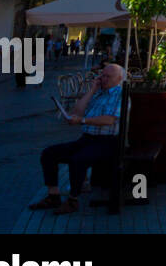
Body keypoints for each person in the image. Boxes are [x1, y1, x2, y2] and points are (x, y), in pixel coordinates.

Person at [29, 63, 125, 215]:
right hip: (87, 139)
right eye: (102, 75)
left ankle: (73, 200)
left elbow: (109, 120)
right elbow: (77, 110)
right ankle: (53, 195)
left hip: (107, 141)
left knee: (78, 160)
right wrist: (92, 90)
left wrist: (83, 121)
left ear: (119, 79)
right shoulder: (99, 93)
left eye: (108, 76)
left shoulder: (119, 95)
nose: (104, 79)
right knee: (49, 153)